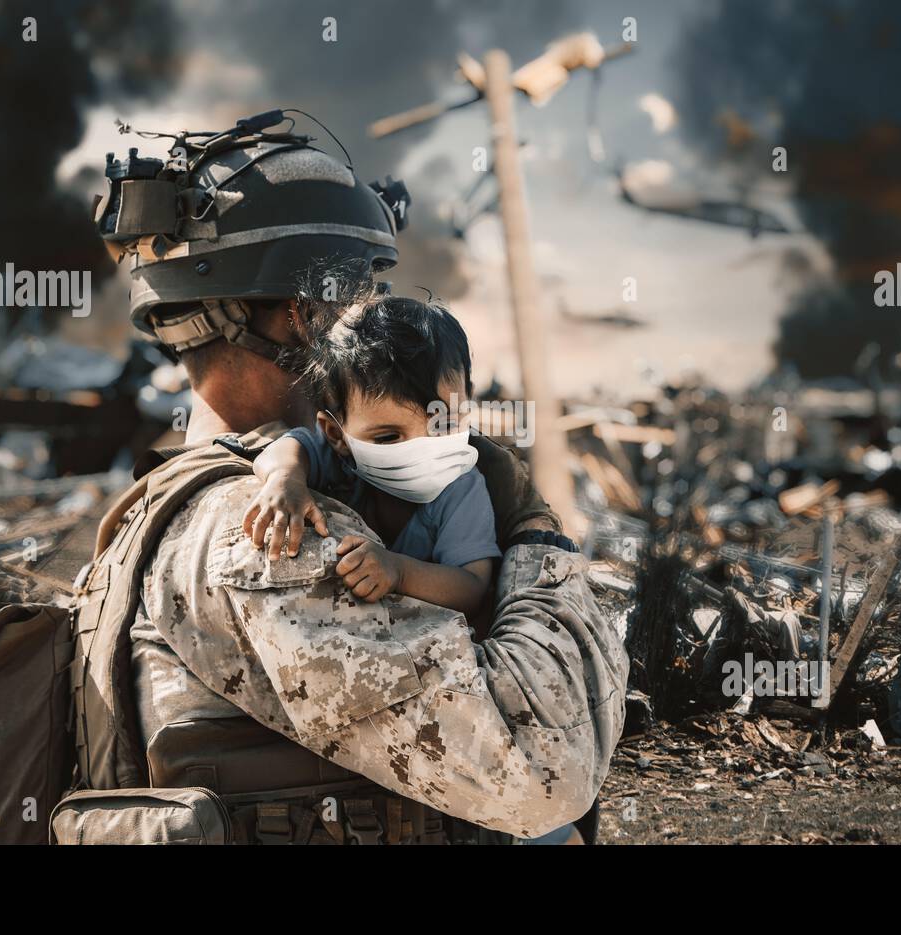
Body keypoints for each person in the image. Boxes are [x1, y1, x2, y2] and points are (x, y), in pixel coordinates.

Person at [72, 113, 627, 844]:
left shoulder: (219, 488)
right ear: (306, 318)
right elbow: (541, 766)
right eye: (357, 300)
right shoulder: (269, 531)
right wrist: (535, 535)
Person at [242, 296, 498, 620]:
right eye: (389, 437)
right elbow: (282, 449)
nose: (423, 447)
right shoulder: (335, 460)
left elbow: (473, 586)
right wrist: (285, 479)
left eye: (443, 424)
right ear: (337, 435)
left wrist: (400, 572)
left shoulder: (461, 487)